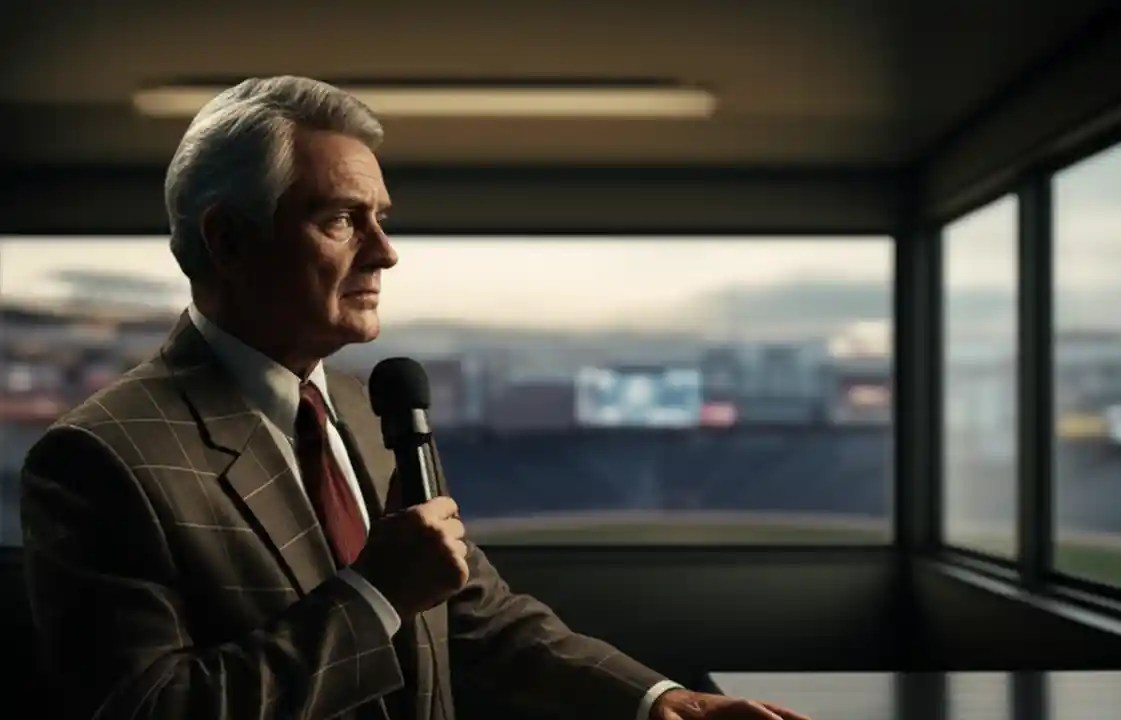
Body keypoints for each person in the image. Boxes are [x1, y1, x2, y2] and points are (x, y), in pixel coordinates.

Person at [19, 76, 810, 720]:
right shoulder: (102, 456)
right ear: (228, 239)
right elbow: (150, 709)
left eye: (382, 219)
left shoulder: (363, 409)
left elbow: (467, 608)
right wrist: (371, 594)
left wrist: (661, 701)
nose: (386, 252)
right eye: (340, 219)